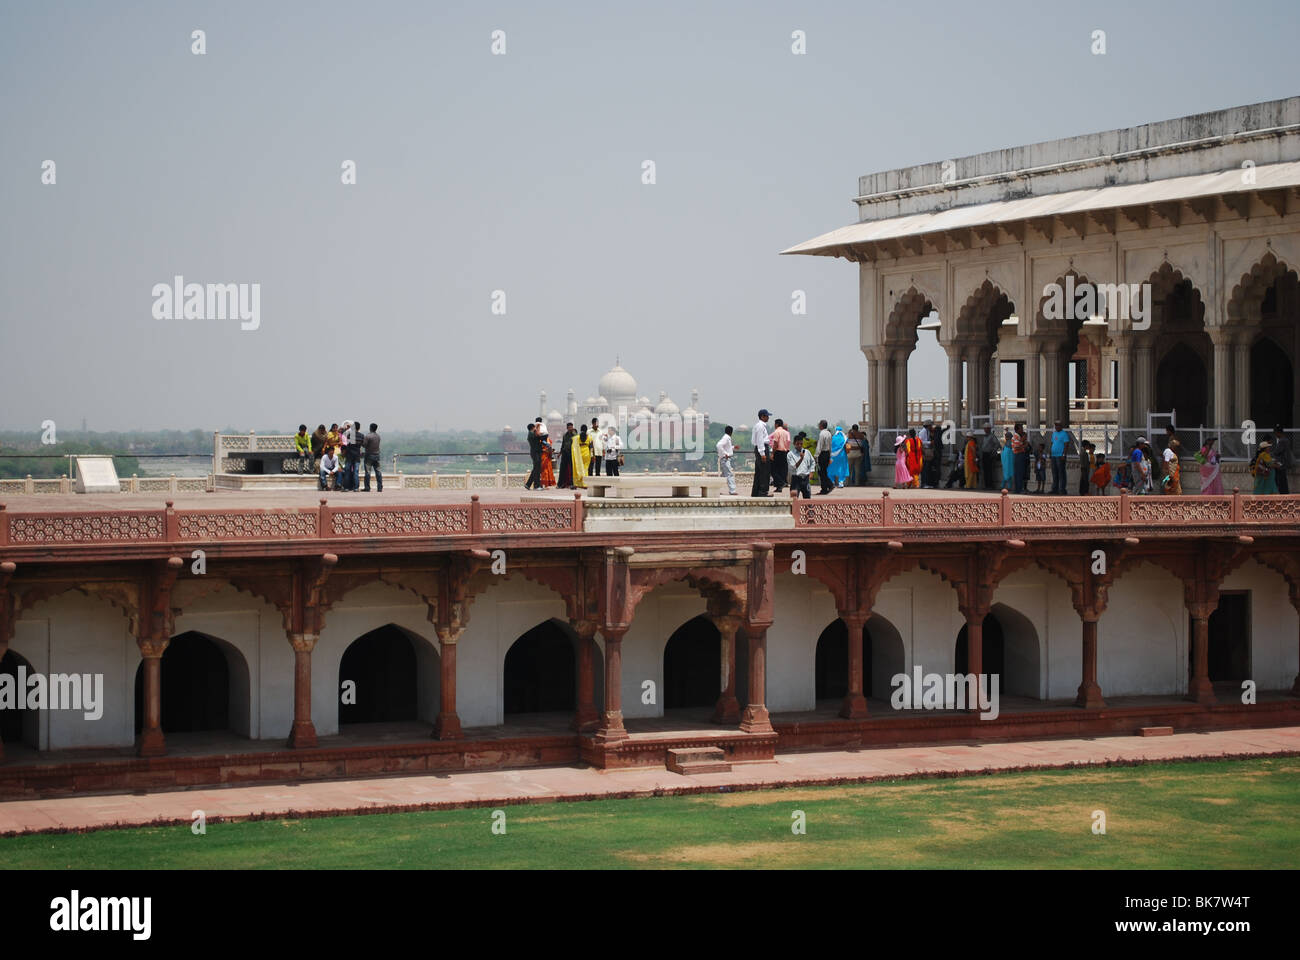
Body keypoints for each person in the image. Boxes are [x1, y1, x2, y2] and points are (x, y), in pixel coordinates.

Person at [751, 410, 773, 497]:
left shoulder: (758, 425)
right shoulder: (761, 426)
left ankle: (756, 492)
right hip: (762, 448)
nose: (768, 418)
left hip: (759, 448)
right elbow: (760, 440)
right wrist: (762, 453)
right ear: (762, 416)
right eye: (767, 416)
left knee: (759, 472)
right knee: (765, 471)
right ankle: (763, 492)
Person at [789, 434, 815, 498]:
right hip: (796, 478)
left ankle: (808, 508)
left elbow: (812, 462)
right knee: (794, 500)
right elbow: (793, 467)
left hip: (805, 478)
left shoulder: (807, 452)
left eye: (801, 444)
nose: (799, 446)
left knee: (807, 499)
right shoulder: (790, 454)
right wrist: (801, 459)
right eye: (797, 444)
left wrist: (812, 471)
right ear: (794, 444)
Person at [1049, 420, 1071, 495]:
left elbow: (1066, 444)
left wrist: (1064, 454)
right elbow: (1052, 443)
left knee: (1061, 472)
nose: (1057, 427)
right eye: (1056, 425)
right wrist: (1050, 452)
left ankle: (1062, 489)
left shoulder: (1064, 434)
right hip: (1054, 455)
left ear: (1061, 426)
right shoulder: (1054, 433)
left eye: (1058, 425)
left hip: (1060, 456)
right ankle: (1055, 488)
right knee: (1054, 473)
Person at [769, 418, 791, 493]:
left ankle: (780, 482)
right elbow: (788, 442)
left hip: (778, 452)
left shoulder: (777, 432)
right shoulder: (785, 432)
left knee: (773, 469)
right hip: (784, 452)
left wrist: (772, 453)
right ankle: (779, 487)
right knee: (782, 469)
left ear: (777, 424)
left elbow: (775, 444)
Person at [814, 419, 833, 495]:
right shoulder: (829, 433)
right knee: (824, 471)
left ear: (821, 425)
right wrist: (830, 455)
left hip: (822, 454)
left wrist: (816, 455)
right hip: (827, 453)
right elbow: (830, 446)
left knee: (821, 471)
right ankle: (827, 486)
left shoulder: (822, 434)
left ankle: (827, 486)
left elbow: (820, 445)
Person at [362, 423, 382, 492]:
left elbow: (364, 445)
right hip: (377, 455)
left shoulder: (368, 436)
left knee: (368, 472)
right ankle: (379, 487)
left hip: (369, 456)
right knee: (378, 472)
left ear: (370, 428)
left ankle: (367, 487)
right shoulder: (378, 436)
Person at [717, 425, 737, 495]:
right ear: (731, 432)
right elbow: (719, 445)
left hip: (725, 459)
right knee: (729, 474)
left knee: (723, 475)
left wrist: (733, 447)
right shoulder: (726, 438)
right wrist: (725, 453)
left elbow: (727, 447)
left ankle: (716, 489)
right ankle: (732, 490)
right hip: (725, 459)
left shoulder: (726, 437)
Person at [1273, 426, 1291, 494]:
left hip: (1281, 464)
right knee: (1282, 481)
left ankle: (1284, 495)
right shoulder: (1285, 440)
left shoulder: (1282, 441)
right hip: (1283, 463)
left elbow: (1277, 452)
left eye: (1276, 433)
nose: (1275, 435)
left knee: (1281, 482)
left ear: (1279, 433)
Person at [1012, 422, 1029, 494]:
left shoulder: (1018, 436)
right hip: (1018, 455)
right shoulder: (1017, 436)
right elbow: (1017, 447)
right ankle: (1019, 489)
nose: (1022, 430)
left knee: (1019, 473)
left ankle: (1018, 489)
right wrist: (1024, 443)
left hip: (1019, 455)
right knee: (1019, 473)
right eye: (1021, 428)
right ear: (1017, 429)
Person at [572, 424, 591, 489]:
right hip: (586, 453)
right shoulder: (589, 437)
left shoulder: (576, 438)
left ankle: (578, 483)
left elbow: (573, 446)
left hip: (579, 454)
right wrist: (592, 456)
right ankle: (585, 484)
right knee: (585, 469)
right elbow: (591, 447)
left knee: (579, 468)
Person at [524, 423, 543, 490]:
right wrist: (537, 428)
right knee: (537, 470)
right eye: (534, 427)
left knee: (536, 469)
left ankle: (528, 484)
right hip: (535, 453)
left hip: (536, 452)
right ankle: (536, 486)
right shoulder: (531, 434)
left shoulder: (531, 434)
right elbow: (539, 435)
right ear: (533, 428)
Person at [558, 423, 575, 488]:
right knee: (562, 469)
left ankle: (571, 483)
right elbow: (563, 445)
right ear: (567, 428)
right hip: (565, 453)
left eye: (571, 427)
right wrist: (560, 453)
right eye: (569, 427)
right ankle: (560, 484)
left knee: (571, 469)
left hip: (571, 453)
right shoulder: (565, 435)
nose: (571, 428)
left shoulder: (574, 435)